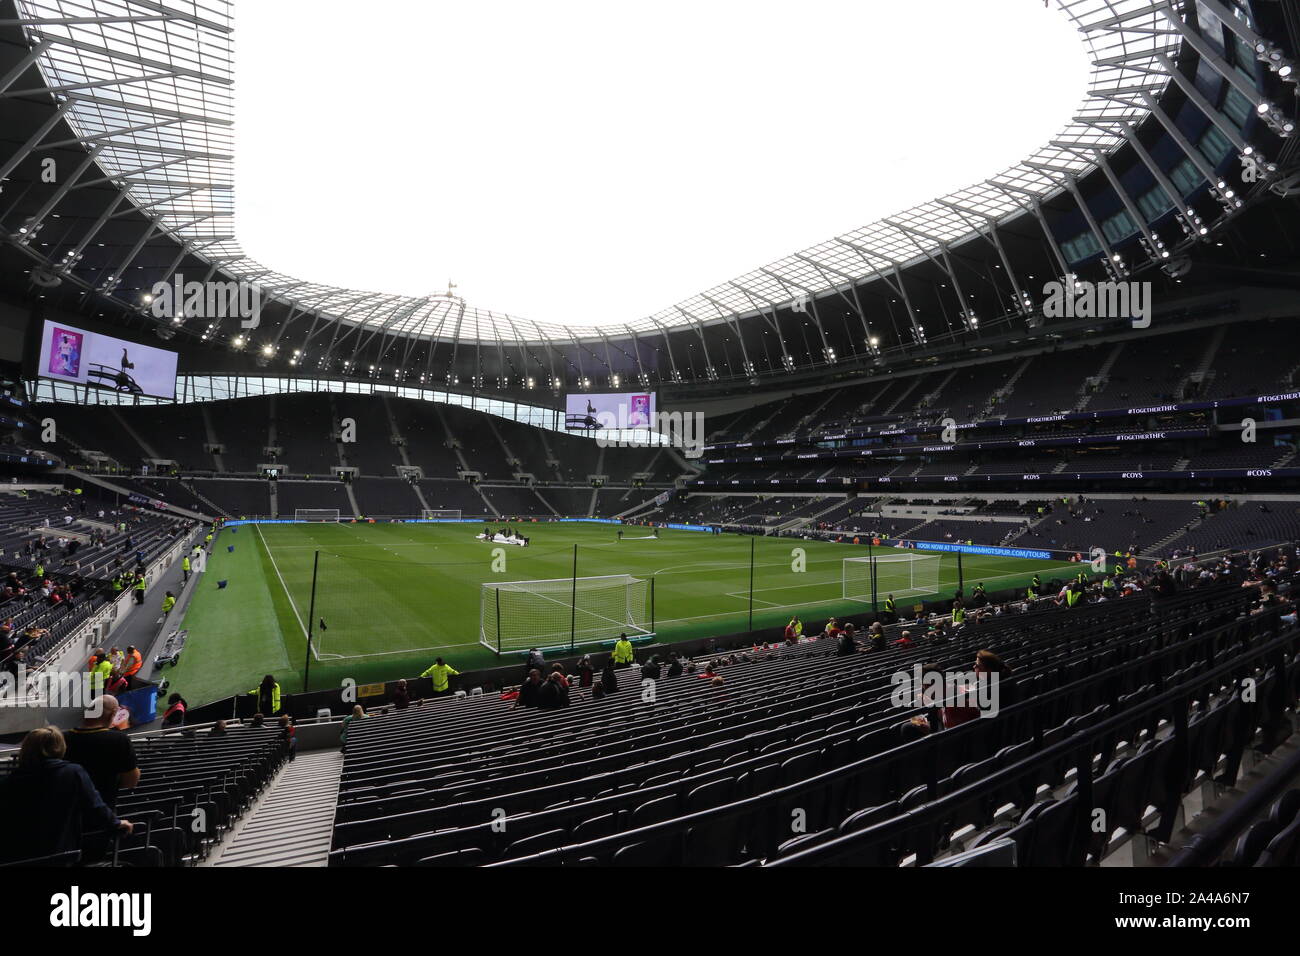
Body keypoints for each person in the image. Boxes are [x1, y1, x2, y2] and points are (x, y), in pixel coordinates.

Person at [0, 726, 133, 864]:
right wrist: (116, 823)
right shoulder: (73, 773)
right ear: (60, 747)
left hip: (15, 856)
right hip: (58, 853)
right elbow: (95, 806)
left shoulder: (8, 781)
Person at [63, 696, 140, 809]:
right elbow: (131, 781)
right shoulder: (119, 740)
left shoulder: (62, 738)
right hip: (102, 810)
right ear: (112, 714)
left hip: (68, 808)